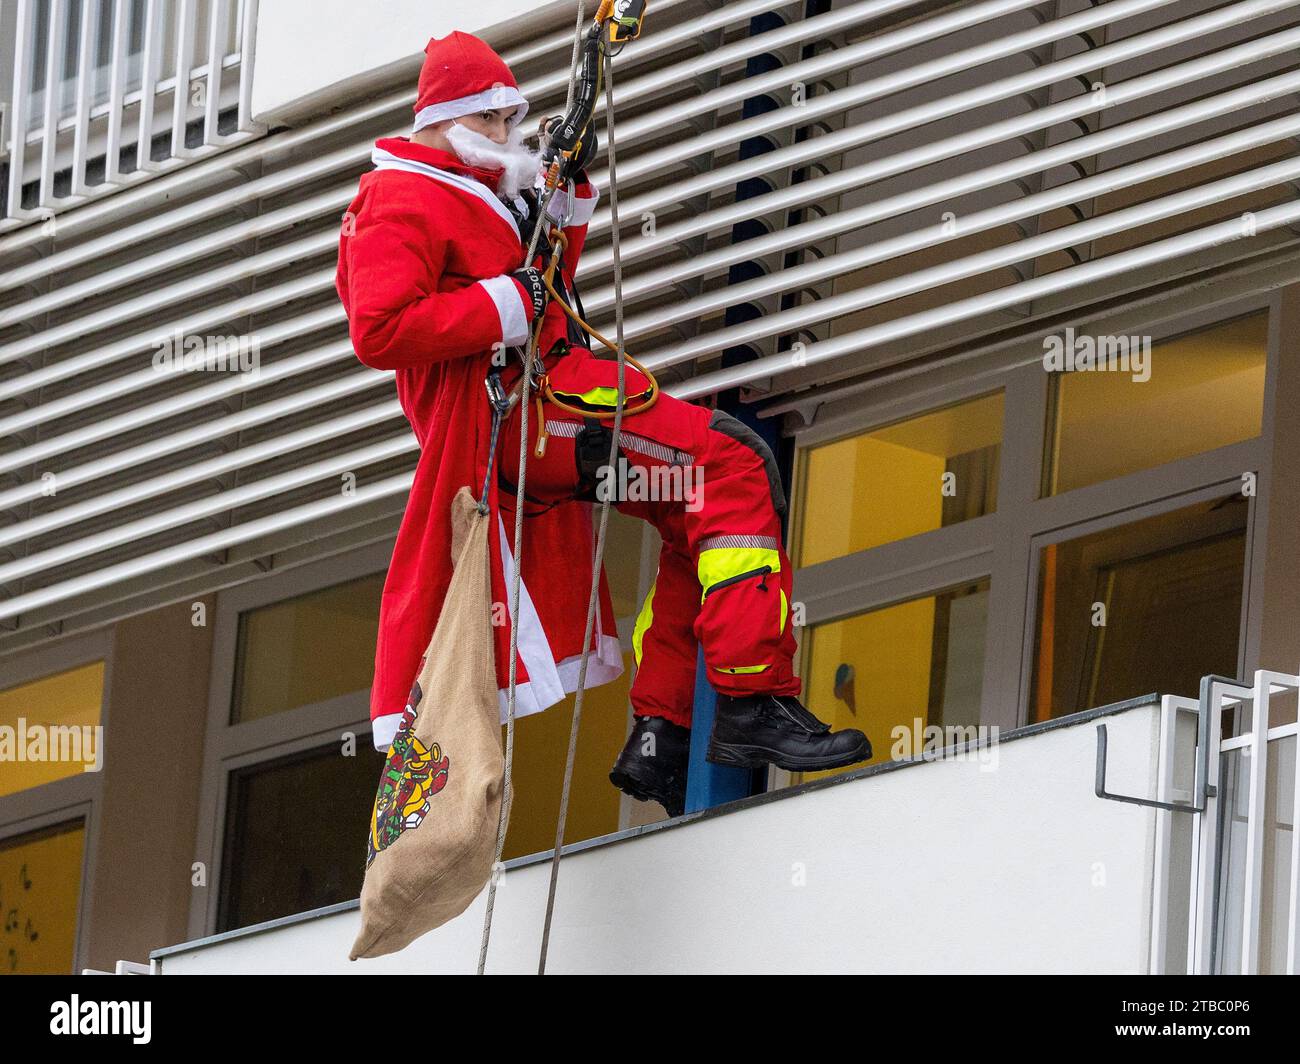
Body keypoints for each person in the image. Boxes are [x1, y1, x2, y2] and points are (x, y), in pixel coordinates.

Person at [335, 31, 871, 821]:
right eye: (492, 120)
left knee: (706, 496)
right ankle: (750, 702)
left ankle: (663, 730)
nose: (504, 136)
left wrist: (558, 210)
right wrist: (503, 309)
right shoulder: (401, 196)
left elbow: (541, 283)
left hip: (550, 404)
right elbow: (381, 328)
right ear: (449, 118)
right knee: (726, 469)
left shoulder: (471, 191)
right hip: (533, 416)